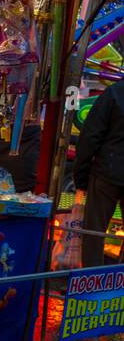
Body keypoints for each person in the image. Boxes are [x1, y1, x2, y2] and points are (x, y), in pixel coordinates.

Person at [73, 79, 124, 266]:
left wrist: (81, 177)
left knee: (94, 234)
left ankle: (91, 284)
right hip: (107, 171)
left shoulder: (114, 93)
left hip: (107, 172)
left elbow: (90, 137)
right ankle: (120, 288)